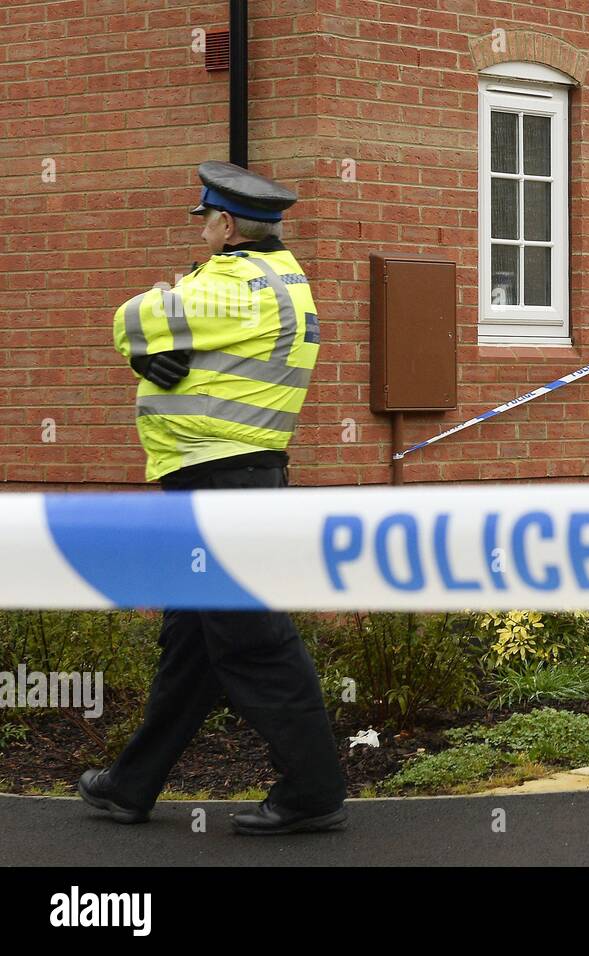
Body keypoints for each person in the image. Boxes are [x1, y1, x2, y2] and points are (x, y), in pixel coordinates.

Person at [78, 161, 347, 835]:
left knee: (252, 639)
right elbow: (168, 339)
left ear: (226, 225)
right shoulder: (283, 278)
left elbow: (128, 319)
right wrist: (153, 354)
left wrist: (141, 349)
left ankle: (314, 790)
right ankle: (130, 786)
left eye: (206, 220)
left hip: (219, 483)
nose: (200, 231)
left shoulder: (232, 283)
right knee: (193, 643)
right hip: (229, 478)